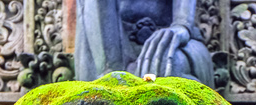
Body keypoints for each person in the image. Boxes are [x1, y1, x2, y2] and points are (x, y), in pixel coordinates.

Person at [75, 0, 213, 86]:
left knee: (170, 67)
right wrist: (112, 73)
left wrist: (182, 26)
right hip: (112, 46)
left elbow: (182, 19)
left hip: (170, 37)